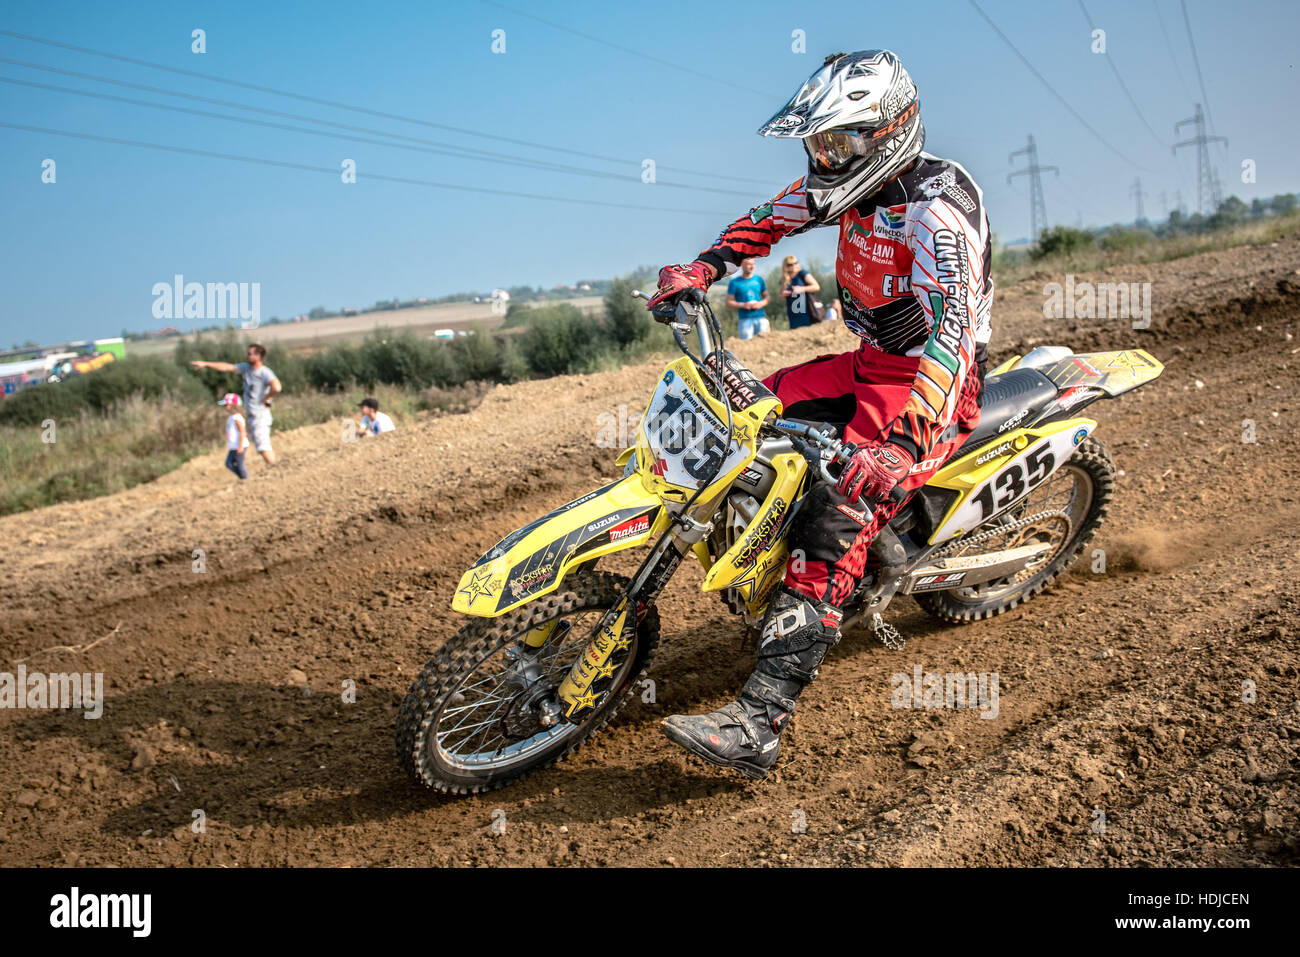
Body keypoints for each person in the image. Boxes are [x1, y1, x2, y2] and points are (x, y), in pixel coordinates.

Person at [647, 50, 994, 779]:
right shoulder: (845, 187)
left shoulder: (936, 211)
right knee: (743, 412)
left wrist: (900, 443)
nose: (823, 158)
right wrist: (702, 267)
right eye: (817, 143)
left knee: (841, 510)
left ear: (887, 131)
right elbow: (771, 220)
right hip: (868, 364)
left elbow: (952, 336)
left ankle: (759, 724)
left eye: (836, 143)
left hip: (931, 386)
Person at [190, 344, 282, 464]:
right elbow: (227, 367)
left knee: (263, 447)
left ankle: (276, 470)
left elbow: (277, 387)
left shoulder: (264, 372)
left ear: (258, 356)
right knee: (261, 447)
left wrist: (266, 398)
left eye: (249, 354)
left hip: (260, 414)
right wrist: (206, 364)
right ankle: (275, 470)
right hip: (253, 415)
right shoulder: (246, 368)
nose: (246, 356)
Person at [725, 257, 770, 340]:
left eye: (753, 264)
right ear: (742, 265)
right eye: (749, 264)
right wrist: (744, 305)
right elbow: (728, 302)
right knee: (747, 346)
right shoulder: (734, 282)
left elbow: (767, 297)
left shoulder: (759, 280)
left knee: (765, 342)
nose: (752, 267)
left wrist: (760, 304)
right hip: (745, 320)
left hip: (761, 318)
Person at [780, 254, 822, 329]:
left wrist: (802, 289)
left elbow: (816, 286)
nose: (794, 266)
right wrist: (784, 294)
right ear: (785, 266)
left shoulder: (802, 274)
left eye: (795, 263)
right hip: (793, 312)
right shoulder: (784, 279)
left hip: (806, 310)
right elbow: (781, 296)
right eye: (790, 264)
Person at [219, 392, 249, 480]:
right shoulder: (232, 417)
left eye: (227, 405)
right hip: (234, 446)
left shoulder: (237, 418)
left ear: (233, 405)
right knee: (229, 464)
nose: (225, 407)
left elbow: (242, 431)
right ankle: (242, 478)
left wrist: (240, 446)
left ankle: (245, 478)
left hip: (239, 446)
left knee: (240, 465)